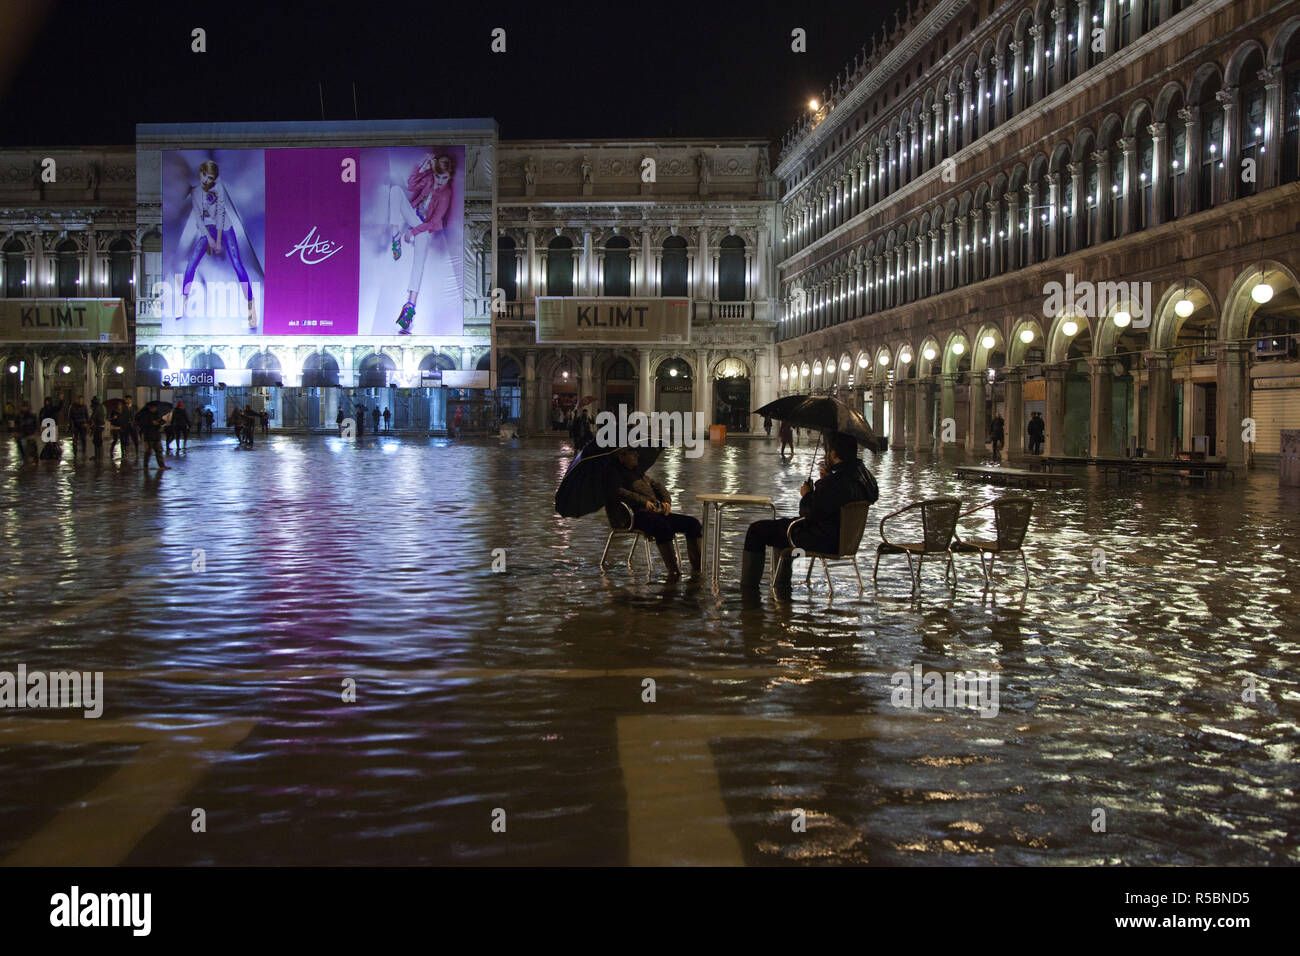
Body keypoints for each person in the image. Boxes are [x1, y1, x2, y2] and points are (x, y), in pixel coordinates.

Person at [740, 431, 879, 592]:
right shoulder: (863, 479)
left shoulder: (835, 483)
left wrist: (807, 494)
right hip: (844, 542)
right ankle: (780, 586)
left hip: (821, 540)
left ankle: (749, 591)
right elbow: (830, 504)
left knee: (756, 530)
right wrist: (826, 480)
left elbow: (808, 513)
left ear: (833, 454)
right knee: (781, 531)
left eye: (828, 452)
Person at [177, 159, 260, 329]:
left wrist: (219, 239)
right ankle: (182, 303)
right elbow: (199, 220)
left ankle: (252, 309)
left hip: (225, 228)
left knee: (238, 265)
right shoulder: (195, 192)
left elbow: (221, 213)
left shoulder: (218, 188)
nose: (207, 180)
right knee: (191, 265)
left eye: (211, 178)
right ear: (200, 174)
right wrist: (210, 239)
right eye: (205, 176)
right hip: (206, 230)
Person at [605, 447, 703, 581]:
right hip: (630, 517)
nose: (636, 455)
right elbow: (618, 492)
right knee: (662, 527)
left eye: (636, 453)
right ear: (622, 457)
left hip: (653, 513)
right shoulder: (612, 474)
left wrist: (666, 501)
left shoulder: (639, 473)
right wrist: (643, 502)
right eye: (632, 454)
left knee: (693, 523)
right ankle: (673, 572)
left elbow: (657, 486)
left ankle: (697, 570)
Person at [388, 153, 456, 334]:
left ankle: (410, 305)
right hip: (413, 216)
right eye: (438, 176)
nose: (440, 181)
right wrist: (422, 167)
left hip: (424, 227)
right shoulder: (429, 179)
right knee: (395, 190)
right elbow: (411, 185)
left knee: (422, 245)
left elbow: (434, 222)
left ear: (449, 176)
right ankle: (395, 235)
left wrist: (413, 232)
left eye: (444, 178)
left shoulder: (446, 193)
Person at [138, 404, 168, 469]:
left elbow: (162, 422)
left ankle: (162, 465)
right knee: (148, 452)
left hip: (157, 435)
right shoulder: (145, 416)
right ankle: (145, 465)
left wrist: (159, 423)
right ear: (150, 408)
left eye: (155, 407)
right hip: (149, 436)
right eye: (153, 407)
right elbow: (142, 424)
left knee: (159, 451)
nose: (154, 409)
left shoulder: (157, 415)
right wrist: (151, 423)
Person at [89, 396, 106, 460]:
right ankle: (98, 455)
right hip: (99, 425)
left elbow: (93, 416)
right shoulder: (100, 406)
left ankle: (99, 456)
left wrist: (89, 422)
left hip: (98, 426)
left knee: (97, 441)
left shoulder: (97, 407)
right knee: (97, 441)